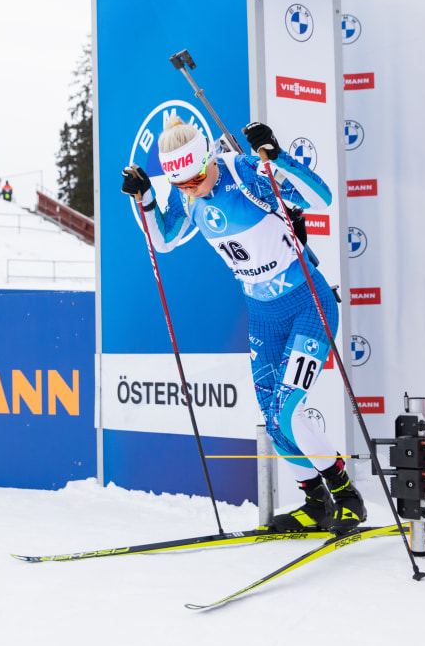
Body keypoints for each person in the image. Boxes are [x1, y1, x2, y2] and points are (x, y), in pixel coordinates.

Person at [120, 114, 366, 534]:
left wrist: (276, 155)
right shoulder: (187, 197)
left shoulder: (245, 173)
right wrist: (143, 197)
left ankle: (346, 497)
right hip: (263, 317)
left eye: (196, 179)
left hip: (308, 304)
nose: (191, 190)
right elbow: (162, 240)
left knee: (287, 411)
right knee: (273, 419)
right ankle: (316, 501)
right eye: (179, 185)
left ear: (209, 159)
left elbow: (318, 198)